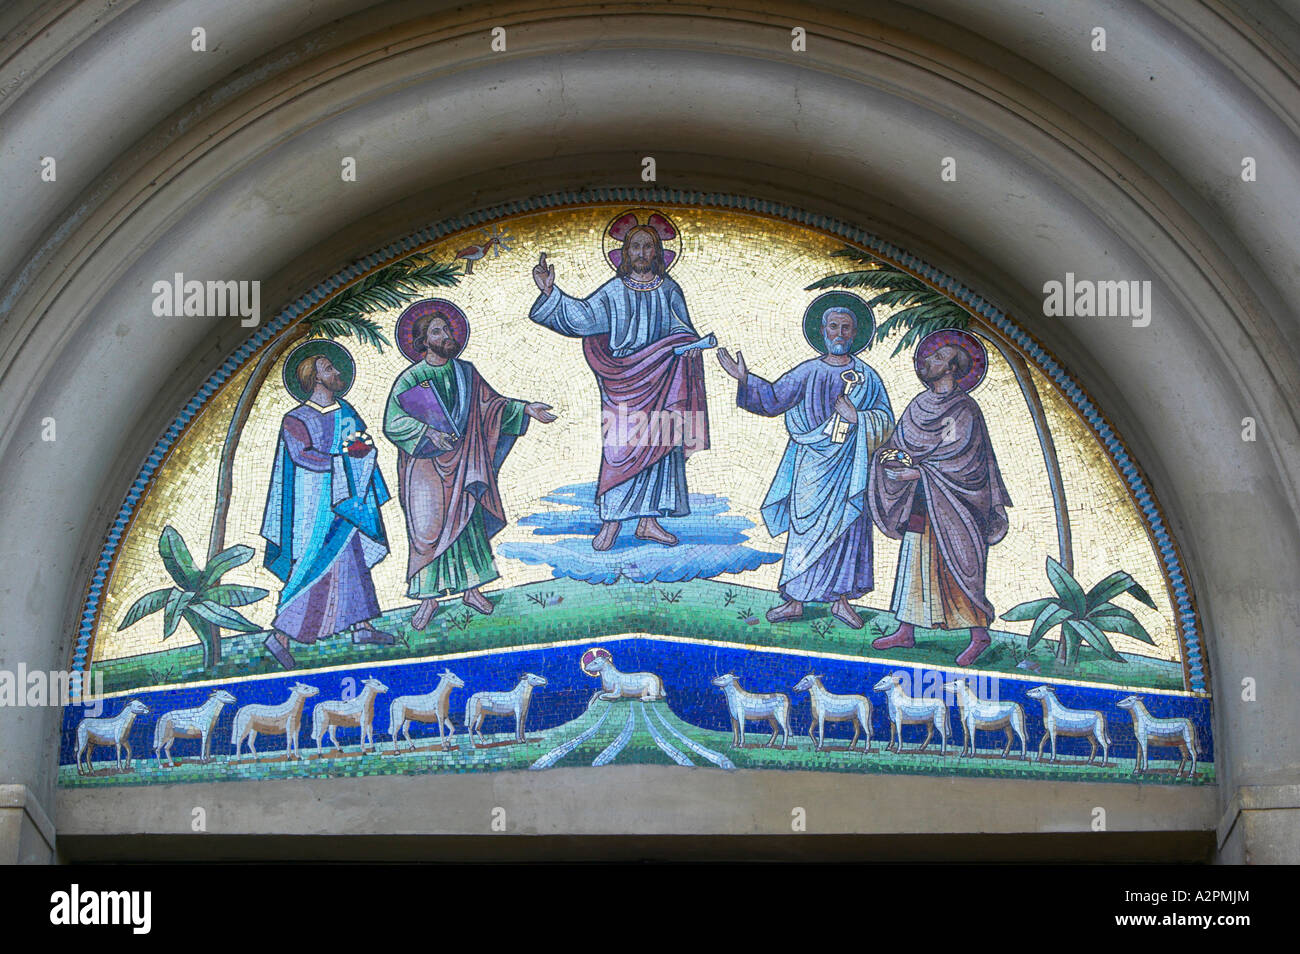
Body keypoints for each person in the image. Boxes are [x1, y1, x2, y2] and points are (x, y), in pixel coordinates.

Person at [528, 214, 711, 551]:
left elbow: (681, 329)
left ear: (658, 252)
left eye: (648, 246)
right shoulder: (614, 290)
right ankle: (611, 522)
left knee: (661, 448)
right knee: (619, 449)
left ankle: (648, 522)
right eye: (636, 246)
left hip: (663, 379)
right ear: (626, 252)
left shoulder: (670, 289)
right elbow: (583, 317)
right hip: (625, 381)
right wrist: (551, 292)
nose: (642, 252)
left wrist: (691, 345)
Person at [720, 305, 894, 628]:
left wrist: (858, 418)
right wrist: (745, 378)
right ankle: (795, 601)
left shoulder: (868, 378)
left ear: (855, 334)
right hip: (811, 467)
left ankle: (841, 601)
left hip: (850, 465)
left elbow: (886, 422)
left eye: (846, 328)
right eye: (833, 327)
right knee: (804, 531)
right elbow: (773, 398)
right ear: (822, 331)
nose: (839, 334)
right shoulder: (807, 372)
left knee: (847, 529)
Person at [384, 308, 555, 630]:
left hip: (464, 461)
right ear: (423, 341)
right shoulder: (410, 377)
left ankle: (472, 590)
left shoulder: (466, 373)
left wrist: (525, 409)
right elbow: (393, 422)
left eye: (448, 330)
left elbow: (491, 405)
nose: (446, 336)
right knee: (426, 530)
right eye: (437, 332)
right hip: (424, 465)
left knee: (468, 522)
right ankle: (428, 599)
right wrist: (428, 433)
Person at [869, 332, 1012, 667]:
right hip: (922, 502)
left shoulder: (965, 409)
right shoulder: (918, 405)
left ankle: (979, 635)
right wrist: (889, 460)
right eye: (928, 358)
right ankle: (906, 630)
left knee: (958, 567)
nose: (927, 363)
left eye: (936, 358)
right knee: (915, 563)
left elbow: (966, 462)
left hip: (957, 505)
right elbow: (901, 444)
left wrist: (917, 473)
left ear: (952, 366)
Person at [260, 347, 393, 670]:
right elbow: (302, 456)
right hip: (313, 505)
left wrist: (360, 452)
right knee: (309, 565)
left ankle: (361, 627)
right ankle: (279, 637)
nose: (336, 374)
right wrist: (342, 462)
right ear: (314, 377)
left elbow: (360, 442)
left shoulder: (346, 412)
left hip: (348, 500)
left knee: (351, 560)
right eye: (329, 369)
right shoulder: (296, 419)